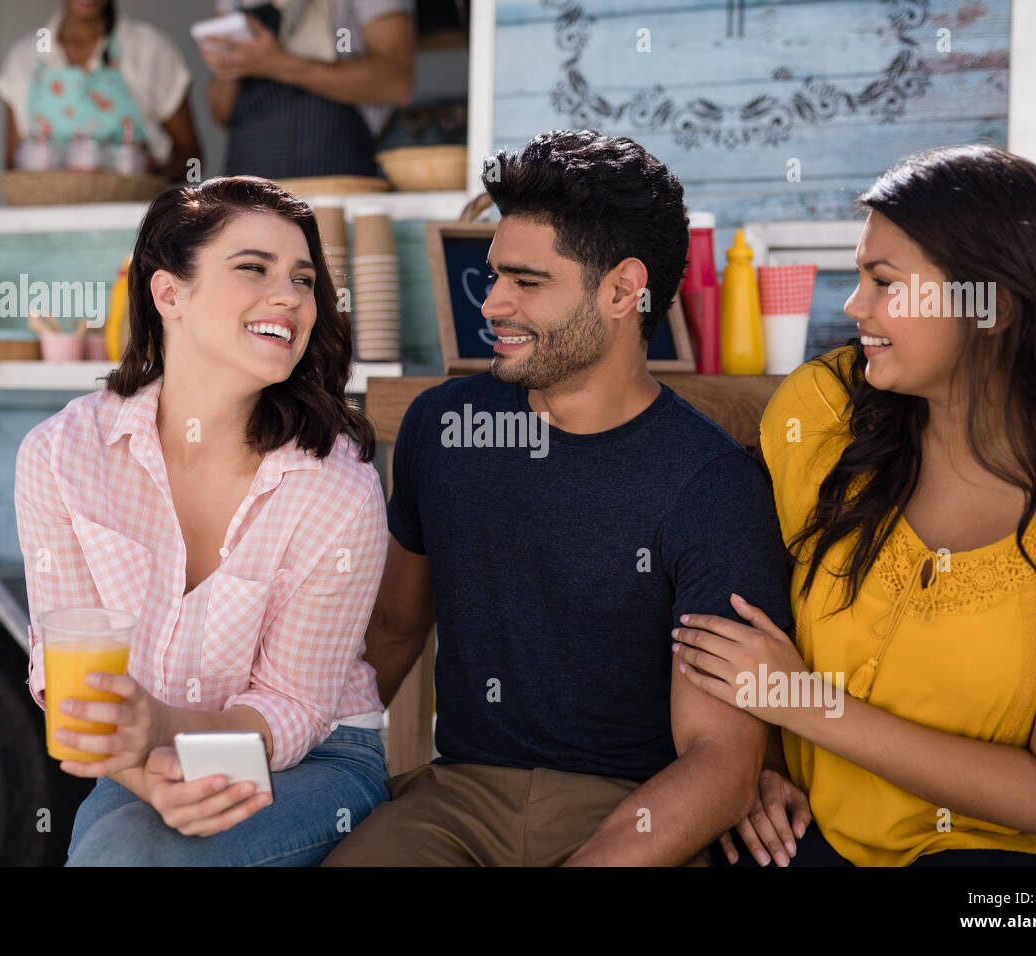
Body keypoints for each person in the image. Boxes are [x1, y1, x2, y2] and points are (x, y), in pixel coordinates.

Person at [321, 130, 794, 867]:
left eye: (528, 282)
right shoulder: (442, 430)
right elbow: (388, 634)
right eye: (494, 275)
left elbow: (719, 759)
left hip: (633, 809)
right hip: (457, 801)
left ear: (620, 289)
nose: (494, 302)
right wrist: (293, 763)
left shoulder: (712, 484)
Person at [674, 145, 1036, 867]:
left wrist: (805, 706)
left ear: (993, 306)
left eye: (883, 282)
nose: (854, 306)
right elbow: (721, 617)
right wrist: (752, 767)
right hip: (809, 847)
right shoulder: (824, 418)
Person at [14, 176, 389, 866]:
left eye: (303, 280)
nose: (290, 298)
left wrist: (166, 733)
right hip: (143, 751)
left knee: (125, 859)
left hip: (311, 758)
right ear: (169, 294)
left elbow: (294, 708)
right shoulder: (62, 456)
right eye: (254, 268)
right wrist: (145, 770)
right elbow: (65, 670)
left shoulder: (338, 487)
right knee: (118, 850)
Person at [200, 0, 414, 178]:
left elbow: (396, 84)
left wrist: (275, 64)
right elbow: (221, 113)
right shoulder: (234, 3)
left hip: (335, 178)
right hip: (249, 186)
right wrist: (231, 62)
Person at [0, 0, 202, 181]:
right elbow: (12, 167)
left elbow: (194, 157)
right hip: (45, 222)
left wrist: (157, 171)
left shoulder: (149, 49)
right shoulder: (24, 58)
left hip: (134, 221)